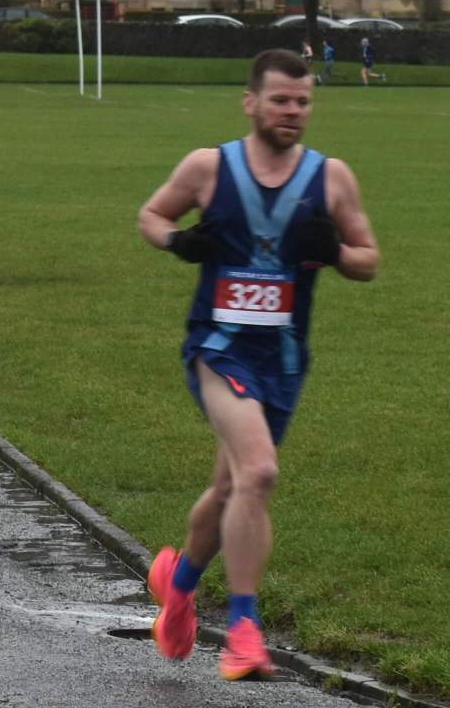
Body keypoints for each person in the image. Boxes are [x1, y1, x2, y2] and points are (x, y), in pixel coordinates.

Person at [136, 49, 380, 681]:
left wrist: (336, 253)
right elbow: (152, 215)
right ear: (251, 103)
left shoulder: (331, 179)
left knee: (230, 488)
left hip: (285, 359)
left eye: (302, 102)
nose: (292, 112)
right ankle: (244, 628)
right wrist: (180, 241)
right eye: (280, 100)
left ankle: (178, 584)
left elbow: (369, 257)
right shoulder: (209, 167)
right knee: (261, 473)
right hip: (218, 349)